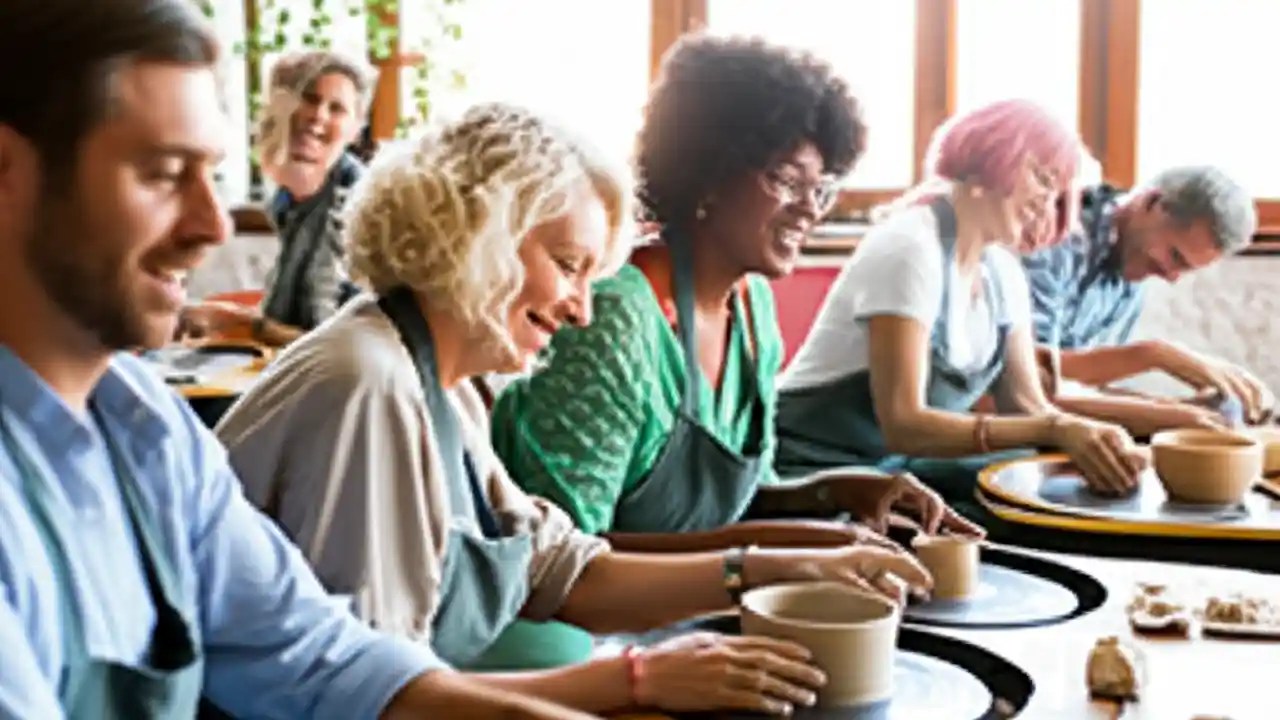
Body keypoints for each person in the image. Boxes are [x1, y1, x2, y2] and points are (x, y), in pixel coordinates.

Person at [214, 101, 932, 716]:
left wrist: (777, 567)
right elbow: (378, 699)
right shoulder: (366, 383)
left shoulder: (440, 374)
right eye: (567, 265)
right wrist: (638, 678)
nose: (584, 311)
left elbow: (560, 567)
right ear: (474, 236)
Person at [0, 2, 600, 718]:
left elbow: (324, 660)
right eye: (163, 174)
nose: (211, 226)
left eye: (211, 174)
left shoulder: (144, 425)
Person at [486, 33, 979, 669]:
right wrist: (782, 546)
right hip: (557, 635)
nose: (810, 209)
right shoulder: (617, 317)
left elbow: (740, 497)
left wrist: (839, 493)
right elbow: (570, 559)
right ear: (709, 173)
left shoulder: (751, 310)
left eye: (821, 187)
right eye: (785, 179)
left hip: (683, 622)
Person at [774, 99, 1150, 506]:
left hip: (896, 466)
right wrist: (1058, 429)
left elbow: (1026, 407)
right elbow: (904, 423)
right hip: (815, 466)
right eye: (1042, 178)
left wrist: (1097, 441)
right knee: (1005, 513)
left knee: (1047, 485)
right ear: (988, 160)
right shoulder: (910, 247)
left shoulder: (1002, 272)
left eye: (1058, 191)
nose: (1047, 203)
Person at [1022, 165, 1272, 432]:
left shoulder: (1131, 268)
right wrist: (1157, 355)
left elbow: (1083, 387)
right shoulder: (1055, 235)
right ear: (1151, 202)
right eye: (1175, 256)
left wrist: (1181, 409)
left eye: (1187, 269)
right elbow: (1027, 382)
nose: (1172, 277)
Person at [181, 49, 373, 346]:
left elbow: (331, 347)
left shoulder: (356, 207)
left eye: (337, 109)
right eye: (309, 98)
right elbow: (289, 321)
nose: (317, 116)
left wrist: (241, 323)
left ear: (356, 130)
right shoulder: (293, 199)